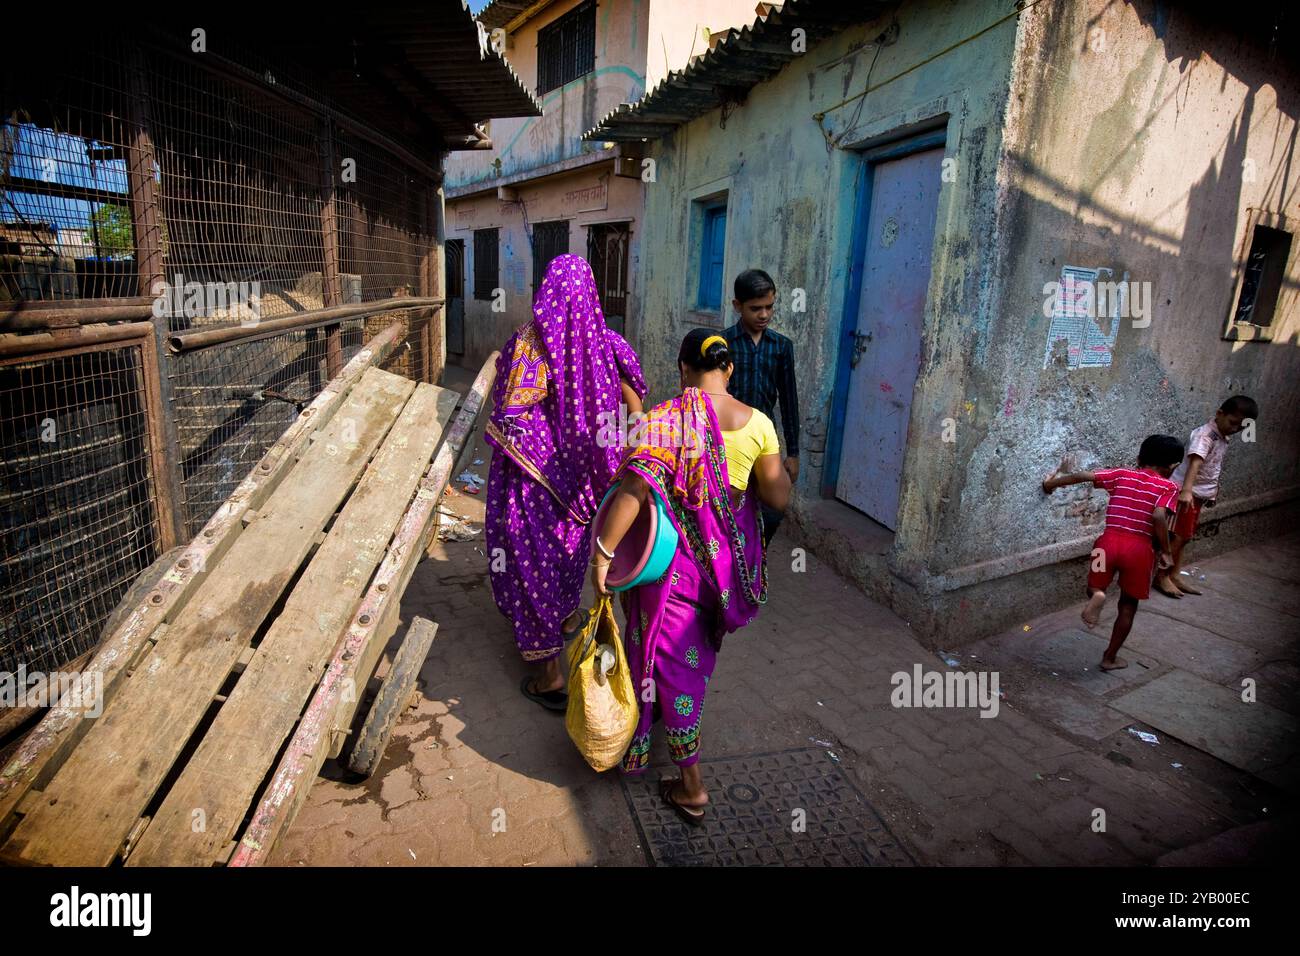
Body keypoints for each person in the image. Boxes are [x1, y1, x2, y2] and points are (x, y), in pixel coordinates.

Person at [590, 328, 790, 825]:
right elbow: (778, 498)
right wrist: (779, 467)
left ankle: (692, 786)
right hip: (720, 574)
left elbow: (633, 492)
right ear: (730, 369)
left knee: (671, 664)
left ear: (682, 369)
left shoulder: (663, 421)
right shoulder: (760, 423)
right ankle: (660, 724)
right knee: (687, 658)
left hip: (671, 570)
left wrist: (602, 553)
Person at [485, 254, 646, 710]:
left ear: (547, 292)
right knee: (566, 559)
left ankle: (549, 675)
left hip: (533, 483)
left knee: (530, 563)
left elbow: (510, 416)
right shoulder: (609, 345)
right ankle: (564, 623)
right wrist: (620, 455)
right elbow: (636, 408)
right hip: (586, 484)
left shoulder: (529, 344)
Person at [1041, 435, 1183, 671]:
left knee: (1094, 586)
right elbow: (1159, 516)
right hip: (1139, 552)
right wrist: (1167, 551)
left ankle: (1097, 595)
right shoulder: (1169, 487)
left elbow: (1085, 476)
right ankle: (1110, 657)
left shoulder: (1122, 474)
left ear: (1139, 458)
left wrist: (1051, 484)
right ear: (1172, 467)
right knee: (1128, 605)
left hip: (1106, 544)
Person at [1154, 395, 1259, 599]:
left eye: (1241, 427)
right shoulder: (1205, 436)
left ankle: (1174, 573)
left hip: (1197, 494)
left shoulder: (1221, 436)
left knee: (1185, 537)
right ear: (1219, 414)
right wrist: (1186, 491)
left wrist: (1210, 493)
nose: (1235, 429)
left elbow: (1212, 467)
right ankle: (1162, 575)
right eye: (1233, 423)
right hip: (1186, 494)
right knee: (1179, 535)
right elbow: (1196, 462)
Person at [722, 269, 799, 546]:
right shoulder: (724, 344)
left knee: (773, 510)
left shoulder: (781, 346)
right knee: (729, 501)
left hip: (764, 440)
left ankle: (756, 552)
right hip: (729, 438)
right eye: (756, 308)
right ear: (737, 306)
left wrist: (794, 452)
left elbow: (789, 399)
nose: (764, 314)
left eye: (769, 307)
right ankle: (730, 559)